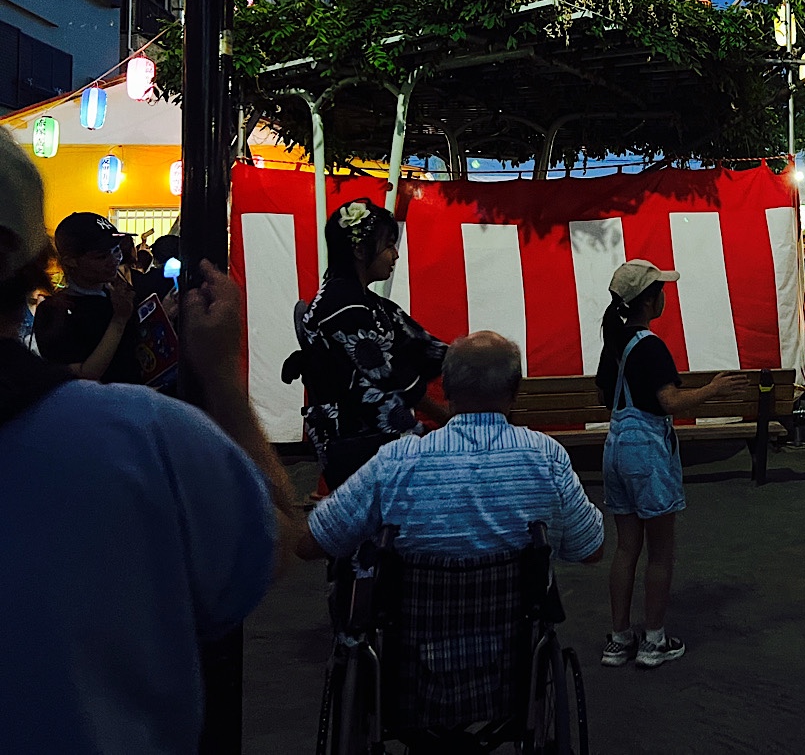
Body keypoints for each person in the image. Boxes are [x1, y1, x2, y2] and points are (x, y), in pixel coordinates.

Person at [0, 133, 301, 754]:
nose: (112, 259)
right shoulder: (147, 439)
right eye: (100, 251)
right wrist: (221, 379)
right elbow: (277, 538)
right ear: (40, 259)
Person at [297, 331, 605, 564]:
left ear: (445, 389)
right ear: (514, 394)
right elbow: (590, 549)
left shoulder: (396, 460)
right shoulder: (547, 456)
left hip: (415, 629)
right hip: (518, 628)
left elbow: (311, 543)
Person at [597, 260, 749, 668]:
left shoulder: (614, 343)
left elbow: (604, 396)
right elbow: (670, 401)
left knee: (626, 546)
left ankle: (619, 639)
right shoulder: (650, 345)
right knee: (661, 550)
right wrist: (714, 390)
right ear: (649, 301)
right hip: (646, 450)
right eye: (660, 291)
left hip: (615, 446)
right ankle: (654, 640)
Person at [288, 199, 450, 489]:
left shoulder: (363, 303)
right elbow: (390, 377)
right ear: (360, 251)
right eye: (388, 245)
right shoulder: (343, 307)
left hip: (370, 433)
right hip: (355, 438)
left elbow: (419, 344)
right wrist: (445, 418)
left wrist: (467, 363)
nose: (395, 254)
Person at [33, 211, 144, 385]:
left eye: (116, 250)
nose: (114, 260)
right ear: (71, 261)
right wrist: (119, 320)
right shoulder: (55, 311)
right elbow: (83, 377)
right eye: (101, 256)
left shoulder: (118, 295)